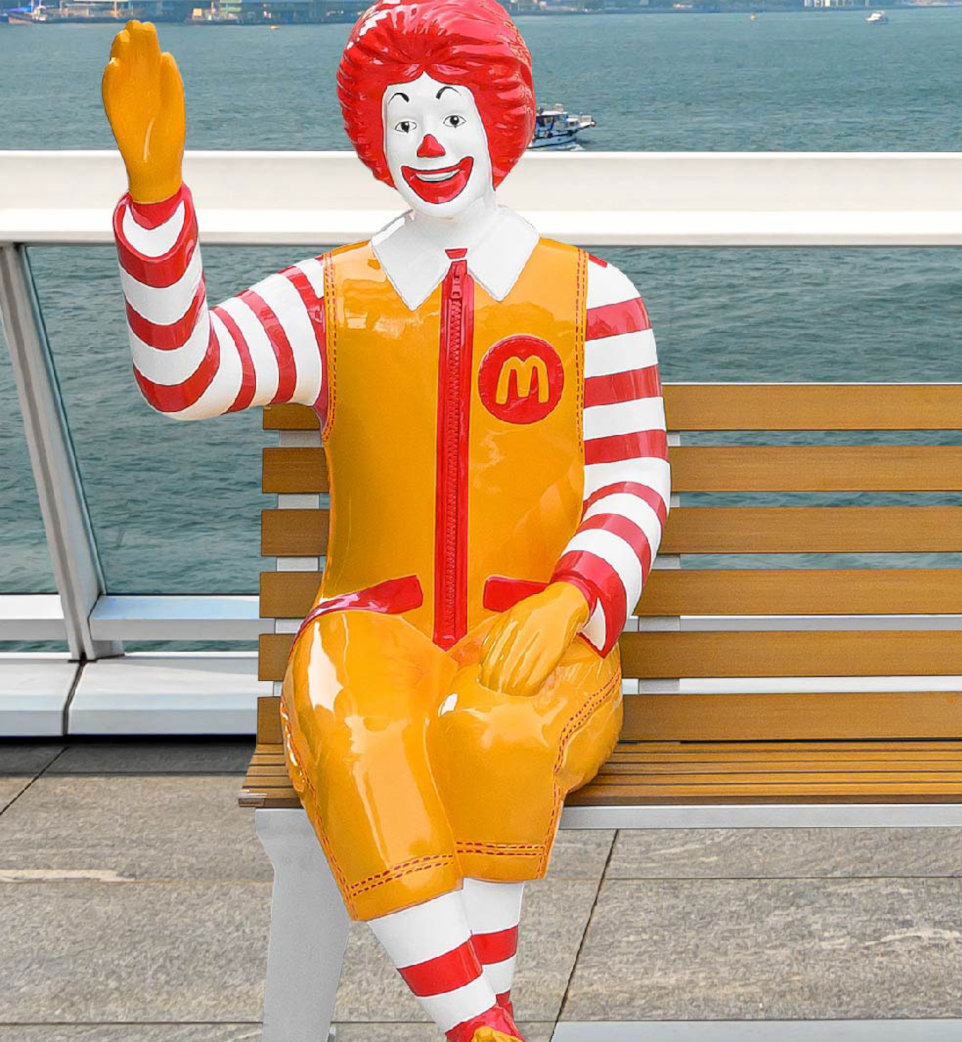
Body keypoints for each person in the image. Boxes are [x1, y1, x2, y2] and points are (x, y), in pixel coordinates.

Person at [101, 5, 668, 1039]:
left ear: (501, 119)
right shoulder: (328, 300)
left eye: (450, 113)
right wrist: (154, 207)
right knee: (360, 735)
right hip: (366, 631)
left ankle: (475, 1027)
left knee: (494, 736)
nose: (429, 143)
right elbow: (183, 375)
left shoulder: (595, 298)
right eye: (402, 120)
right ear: (374, 138)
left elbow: (634, 481)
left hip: (538, 632)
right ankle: (483, 1027)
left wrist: (573, 598)